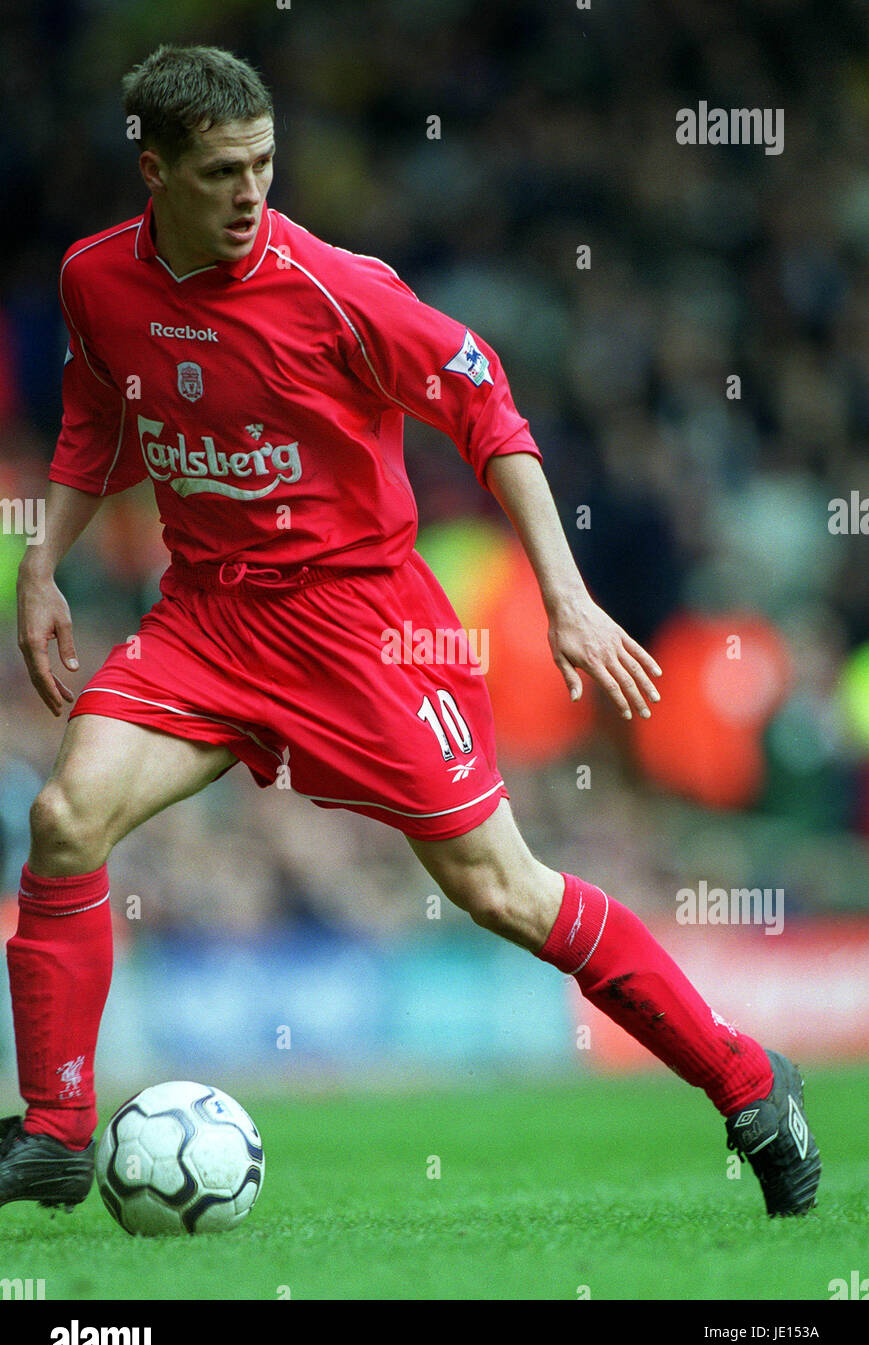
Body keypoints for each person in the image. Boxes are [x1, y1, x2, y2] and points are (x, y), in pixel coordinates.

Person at [2, 45, 819, 1219]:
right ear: (155, 170)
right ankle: (56, 1131)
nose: (250, 194)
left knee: (500, 888)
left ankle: (750, 1084)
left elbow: (489, 412)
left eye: (266, 166)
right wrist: (44, 559)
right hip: (210, 618)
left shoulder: (338, 289)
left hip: (364, 630)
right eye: (223, 171)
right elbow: (93, 421)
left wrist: (566, 594)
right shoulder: (95, 281)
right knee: (65, 816)